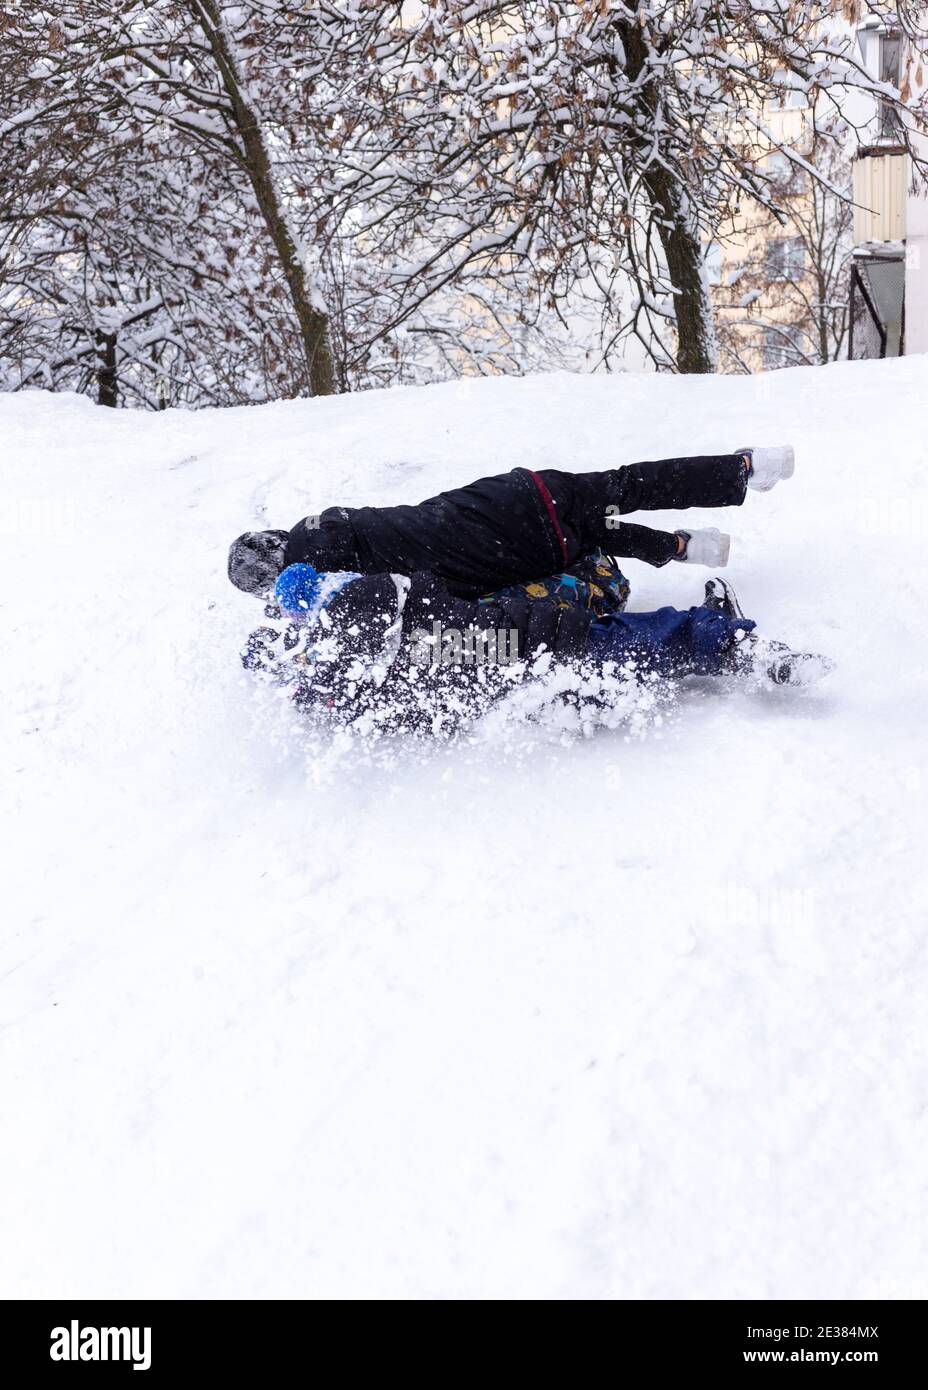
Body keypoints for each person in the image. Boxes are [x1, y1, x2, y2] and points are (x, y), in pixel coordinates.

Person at [227, 446, 796, 600]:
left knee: (594, 531)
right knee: (624, 487)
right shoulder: (327, 526)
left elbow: (325, 589)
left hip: (513, 552)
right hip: (514, 495)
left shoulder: (317, 563)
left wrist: (291, 601)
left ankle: (680, 547)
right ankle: (743, 469)